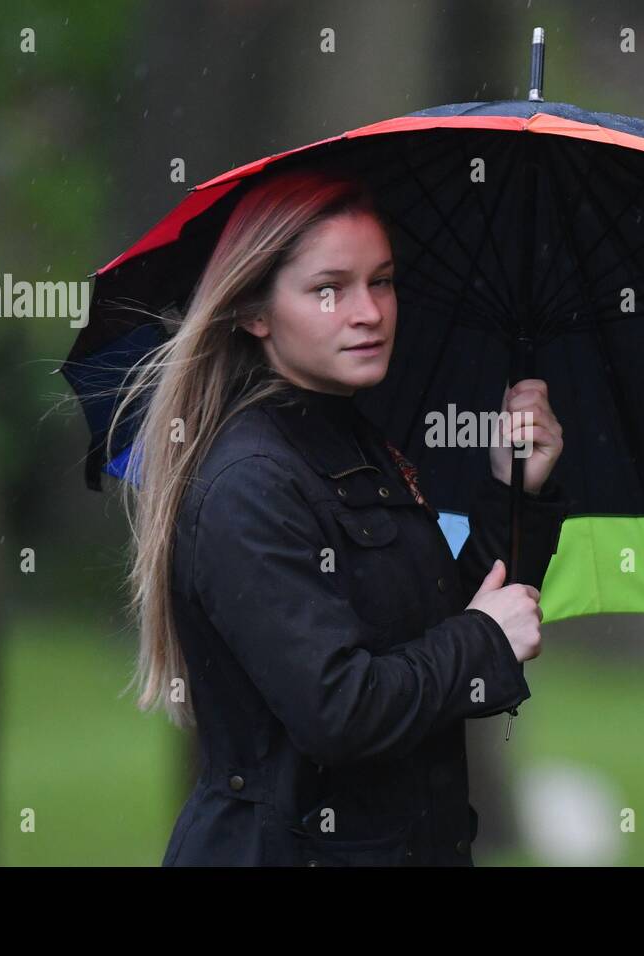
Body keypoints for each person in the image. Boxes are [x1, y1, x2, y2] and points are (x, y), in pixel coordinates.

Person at [108, 165, 570, 865]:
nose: (369, 312)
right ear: (255, 311)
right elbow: (340, 709)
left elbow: (432, 634)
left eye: (380, 281)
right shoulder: (250, 483)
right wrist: (482, 638)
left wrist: (516, 493)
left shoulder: (357, 445)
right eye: (330, 289)